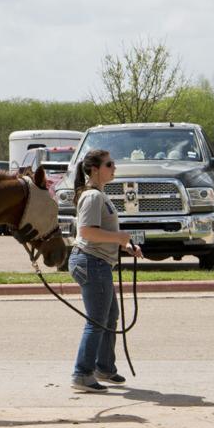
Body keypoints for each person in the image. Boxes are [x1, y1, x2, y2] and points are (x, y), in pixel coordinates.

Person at [67, 148, 144, 393]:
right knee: (97, 320)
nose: (114, 168)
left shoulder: (99, 195)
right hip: (91, 262)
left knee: (109, 316)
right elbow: (87, 232)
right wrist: (120, 239)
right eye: (109, 164)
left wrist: (124, 244)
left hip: (96, 262)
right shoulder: (93, 197)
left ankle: (104, 367)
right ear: (94, 169)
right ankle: (82, 374)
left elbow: (98, 234)